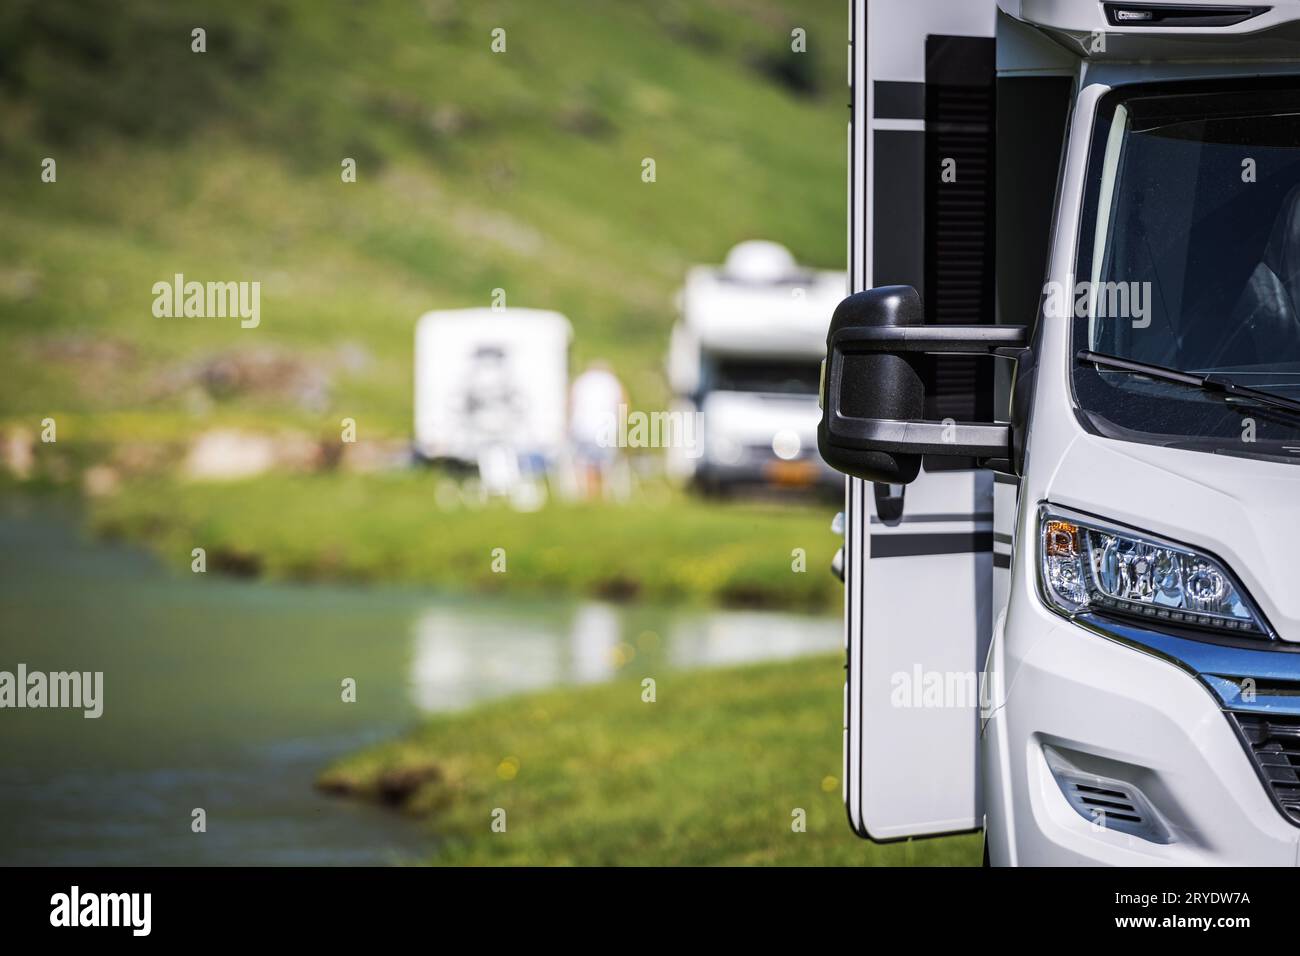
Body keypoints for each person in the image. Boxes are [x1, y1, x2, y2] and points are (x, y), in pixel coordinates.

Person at [568, 360, 625, 500]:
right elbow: (623, 403)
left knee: (586, 464)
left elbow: (570, 402)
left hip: (582, 428)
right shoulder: (612, 381)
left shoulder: (581, 381)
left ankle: (589, 497)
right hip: (606, 429)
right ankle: (602, 497)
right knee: (604, 465)